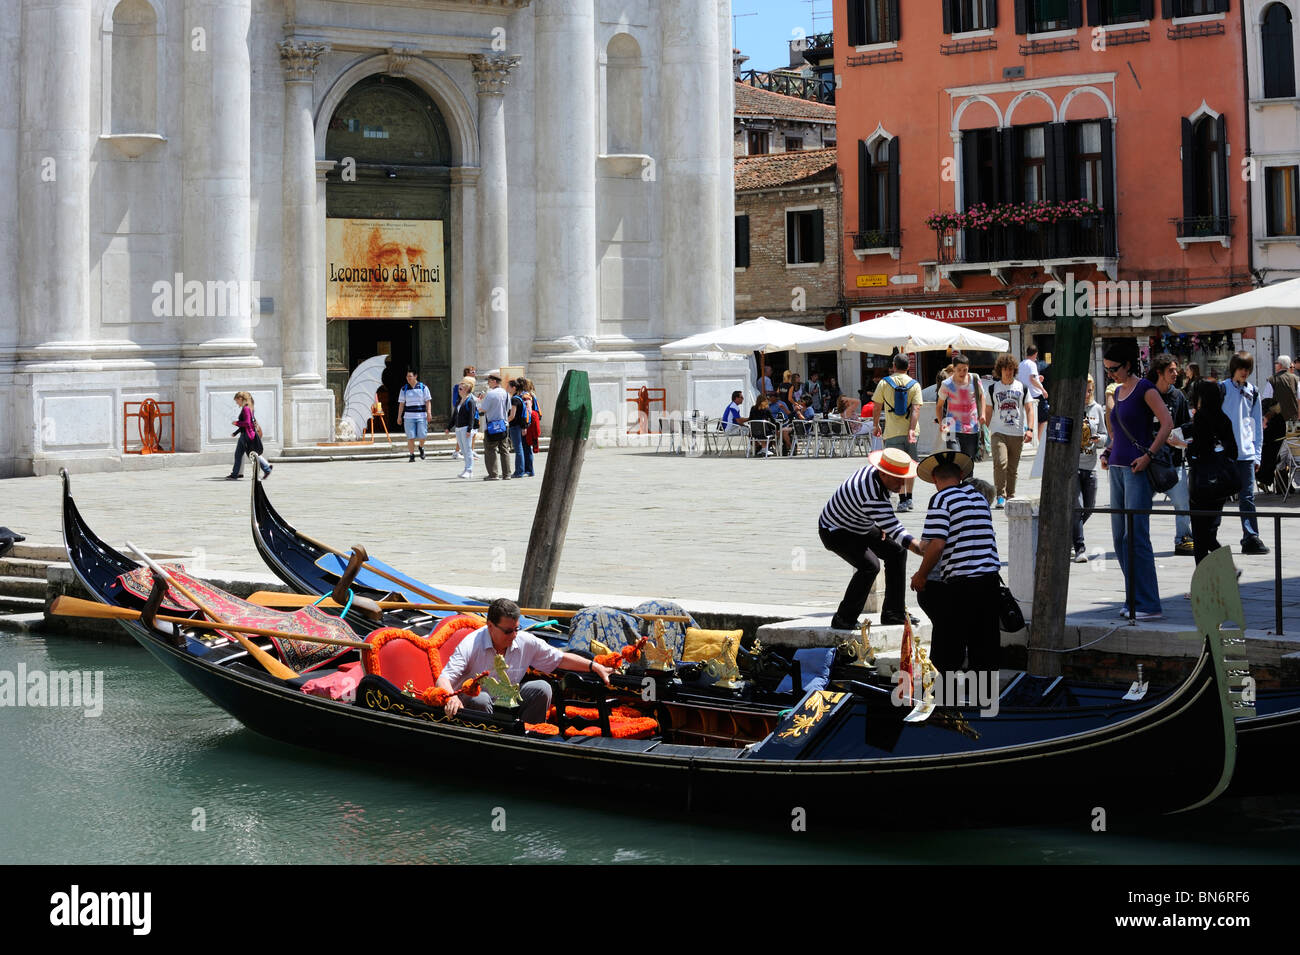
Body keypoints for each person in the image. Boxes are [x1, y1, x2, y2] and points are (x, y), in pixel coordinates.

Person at [437, 598, 613, 724]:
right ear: (490, 626)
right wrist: (451, 699)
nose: (514, 636)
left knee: (542, 688)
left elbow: (560, 659)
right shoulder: (471, 643)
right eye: (508, 631)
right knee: (480, 699)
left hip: (508, 700)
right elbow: (443, 679)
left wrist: (594, 666)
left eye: (516, 629)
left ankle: (531, 734)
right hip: (473, 706)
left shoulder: (523, 640)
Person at [910, 451, 1001, 681]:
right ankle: (986, 703)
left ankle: (943, 705)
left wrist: (921, 575)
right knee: (985, 646)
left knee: (948, 647)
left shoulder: (941, 499)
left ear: (934, 479)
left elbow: (936, 545)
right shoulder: (979, 497)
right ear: (961, 474)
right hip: (990, 581)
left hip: (961, 585)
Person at [818, 447, 926, 631]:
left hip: (858, 523)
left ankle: (894, 612)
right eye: (897, 478)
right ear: (883, 474)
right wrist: (926, 551)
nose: (902, 483)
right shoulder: (871, 496)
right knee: (870, 566)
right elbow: (899, 532)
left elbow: (886, 520)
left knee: (896, 552)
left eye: (904, 477)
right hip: (835, 531)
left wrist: (883, 524)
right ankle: (844, 618)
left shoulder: (873, 474)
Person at [1104, 341, 1174, 620]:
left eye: (1114, 369)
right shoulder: (1118, 391)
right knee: (1119, 538)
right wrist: (1108, 451)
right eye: (1107, 369)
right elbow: (1119, 432)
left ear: (1128, 364)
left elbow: (1167, 423)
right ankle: (1133, 596)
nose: (1110, 374)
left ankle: (1148, 603)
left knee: (1136, 536)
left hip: (1136, 469)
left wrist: (1148, 456)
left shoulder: (1146, 388)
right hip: (1117, 468)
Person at [1180, 380, 1240, 564]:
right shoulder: (1224, 418)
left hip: (1202, 484)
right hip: (1221, 485)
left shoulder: (1201, 418)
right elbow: (1234, 452)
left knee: (1200, 535)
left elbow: (1198, 450)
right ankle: (1225, 572)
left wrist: (1185, 446)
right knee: (1210, 531)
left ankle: (1207, 582)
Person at [1219, 351, 1267, 554]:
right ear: (1234, 368)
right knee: (1216, 496)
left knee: (1247, 498)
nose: (1245, 372)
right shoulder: (1222, 388)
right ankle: (1208, 535)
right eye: (1241, 368)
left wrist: (1257, 455)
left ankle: (1250, 537)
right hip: (1223, 453)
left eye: (1248, 368)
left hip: (1246, 454)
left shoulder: (1253, 391)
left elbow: (1257, 426)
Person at [1148, 354, 1194, 555]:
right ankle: (1138, 540)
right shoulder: (1148, 395)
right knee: (1140, 505)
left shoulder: (1178, 397)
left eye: (1176, 370)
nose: (1176, 374)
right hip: (1149, 462)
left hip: (1173, 461)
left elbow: (1187, 425)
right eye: (1171, 370)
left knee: (1182, 503)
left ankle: (1183, 539)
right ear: (1160, 372)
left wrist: (1179, 438)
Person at [873, 354, 922, 511]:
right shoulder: (915, 385)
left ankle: (901, 499)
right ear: (908, 367)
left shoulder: (884, 383)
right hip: (911, 432)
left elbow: (877, 406)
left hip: (892, 431)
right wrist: (912, 430)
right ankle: (909, 498)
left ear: (894, 366)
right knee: (911, 465)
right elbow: (916, 409)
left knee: (896, 467)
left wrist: (876, 425)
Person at [985, 353, 1033, 508]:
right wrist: (984, 428)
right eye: (1005, 369)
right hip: (998, 432)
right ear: (1000, 370)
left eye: (1011, 369)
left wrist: (1030, 429)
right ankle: (1000, 495)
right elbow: (988, 410)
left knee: (1012, 467)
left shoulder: (1022, 387)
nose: (1008, 372)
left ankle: (1010, 494)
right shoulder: (993, 388)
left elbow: (1029, 409)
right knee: (1001, 462)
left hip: (1017, 432)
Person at [1073, 375, 1108, 562]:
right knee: (1077, 507)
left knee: (1090, 507)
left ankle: (1070, 533)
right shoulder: (1072, 407)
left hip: (1091, 465)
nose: (1086, 394)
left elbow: (1105, 435)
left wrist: (1099, 440)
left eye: (1089, 390)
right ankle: (1079, 548)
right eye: (1083, 390)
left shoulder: (1097, 409)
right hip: (1073, 466)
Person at [936, 353, 986, 461]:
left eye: (965, 370)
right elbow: (939, 406)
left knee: (968, 463)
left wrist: (983, 414)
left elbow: (982, 396)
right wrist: (942, 424)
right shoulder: (947, 384)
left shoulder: (975, 379)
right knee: (956, 460)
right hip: (952, 428)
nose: (962, 372)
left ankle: (967, 479)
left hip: (972, 428)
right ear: (953, 369)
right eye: (959, 370)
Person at [226, 391, 272, 480]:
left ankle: (266, 469)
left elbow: (247, 423)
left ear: (240, 399)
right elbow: (248, 424)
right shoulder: (248, 408)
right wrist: (235, 433)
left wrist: (236, 423)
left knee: (251, 456)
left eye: (236, 401)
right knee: (239, 455)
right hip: (244, 435)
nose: (236, 403)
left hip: (247, 436)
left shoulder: (246, 409)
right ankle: (234, 474)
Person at [480, 371, 512, 480]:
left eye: (489, 381)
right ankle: (507, 474)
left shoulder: (490, 394)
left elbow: (483, 409)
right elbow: (508, 408)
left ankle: (493, 474)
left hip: (491, 426)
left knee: (490, 450)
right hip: (504, 424)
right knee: (504, 449)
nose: (488, 384)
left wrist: (479, 402)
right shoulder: (506, 394)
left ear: (494, 381)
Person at [397, 369, 432, 462]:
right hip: (408, 417)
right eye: (407, 376)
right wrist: (399, 416)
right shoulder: (404, 389)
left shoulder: (423, 387)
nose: (408, 378)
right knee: (410, 437)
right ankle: (412, 455)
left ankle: (421, 447)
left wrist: (429, 412)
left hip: (421, 416)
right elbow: (401, 403)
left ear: (415, 376)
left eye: (410, 376)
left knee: (422, 436)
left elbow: (428, 401)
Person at [1017, 345, 1048, 444]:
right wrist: (1043, 389)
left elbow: (1027, 378)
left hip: (1024, 396)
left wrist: (1038, 378)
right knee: (1044, 418)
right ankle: (1038, 441)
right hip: (1035, 395)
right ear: (1036, 354)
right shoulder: (1032, 364)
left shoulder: (1020, 364)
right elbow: (1032, 379)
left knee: (1029, 419)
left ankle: (1033, 439)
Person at [448, 365, 478, 458]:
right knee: (464, 434)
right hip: (464, 414)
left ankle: (471, 450)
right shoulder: (460, 386)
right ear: (467, 373)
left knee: (474, 434)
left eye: (474, 372)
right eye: (472, 372)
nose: (474, 373)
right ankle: (457, 451)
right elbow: (458, 400)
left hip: (473, 412)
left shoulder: (472, 385)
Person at [1261, 354, 1299, 428]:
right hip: (1294, 421)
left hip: (1277, 421)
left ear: (1280, 365)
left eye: (1276, 363)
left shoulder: (1272, 380)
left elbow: (1266, 400)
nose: (1275, 365)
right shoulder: (1297, 379)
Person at [452, 376, 478, 479]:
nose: (459, 390)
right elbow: (455, 415)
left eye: (460, 389)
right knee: (463, 450)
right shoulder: (459, 401)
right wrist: (449, 427)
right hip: (458, 428)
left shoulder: (470, 401)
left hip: (465, 428)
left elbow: (471, 416)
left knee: (467, 450)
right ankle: (466, 468)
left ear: (467, 389)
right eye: (459, 388)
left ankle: (469, 470)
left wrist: (469, 429)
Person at [508, 378, 532, 479]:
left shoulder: (514, 399)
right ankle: (524, 470)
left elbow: (512, 415)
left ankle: (519, 471)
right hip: (520, 426)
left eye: (508, 386)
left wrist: (505, 422)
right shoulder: (520, 398)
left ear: (514, 388)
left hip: (515, 426)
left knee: (518, 449)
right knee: (521, 448)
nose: (507, 388)